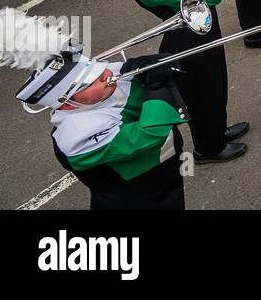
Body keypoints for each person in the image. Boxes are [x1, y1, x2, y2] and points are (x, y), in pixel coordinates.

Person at [99, 0, 251, 163]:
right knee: (202, 92)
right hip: (185, 35)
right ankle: (207, 148)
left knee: (216, 83)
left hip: (203, 23)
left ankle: (217, 130)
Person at [15, 48, 189, 210]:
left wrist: (151, 64)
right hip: (135, 198)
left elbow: (120, 70)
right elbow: (151, 133)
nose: (106, 74)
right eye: (91, 81)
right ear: (66, 103)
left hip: (163, 172)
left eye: (97, 67)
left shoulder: (100, 82)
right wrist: (158, 85)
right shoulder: (76, 134)